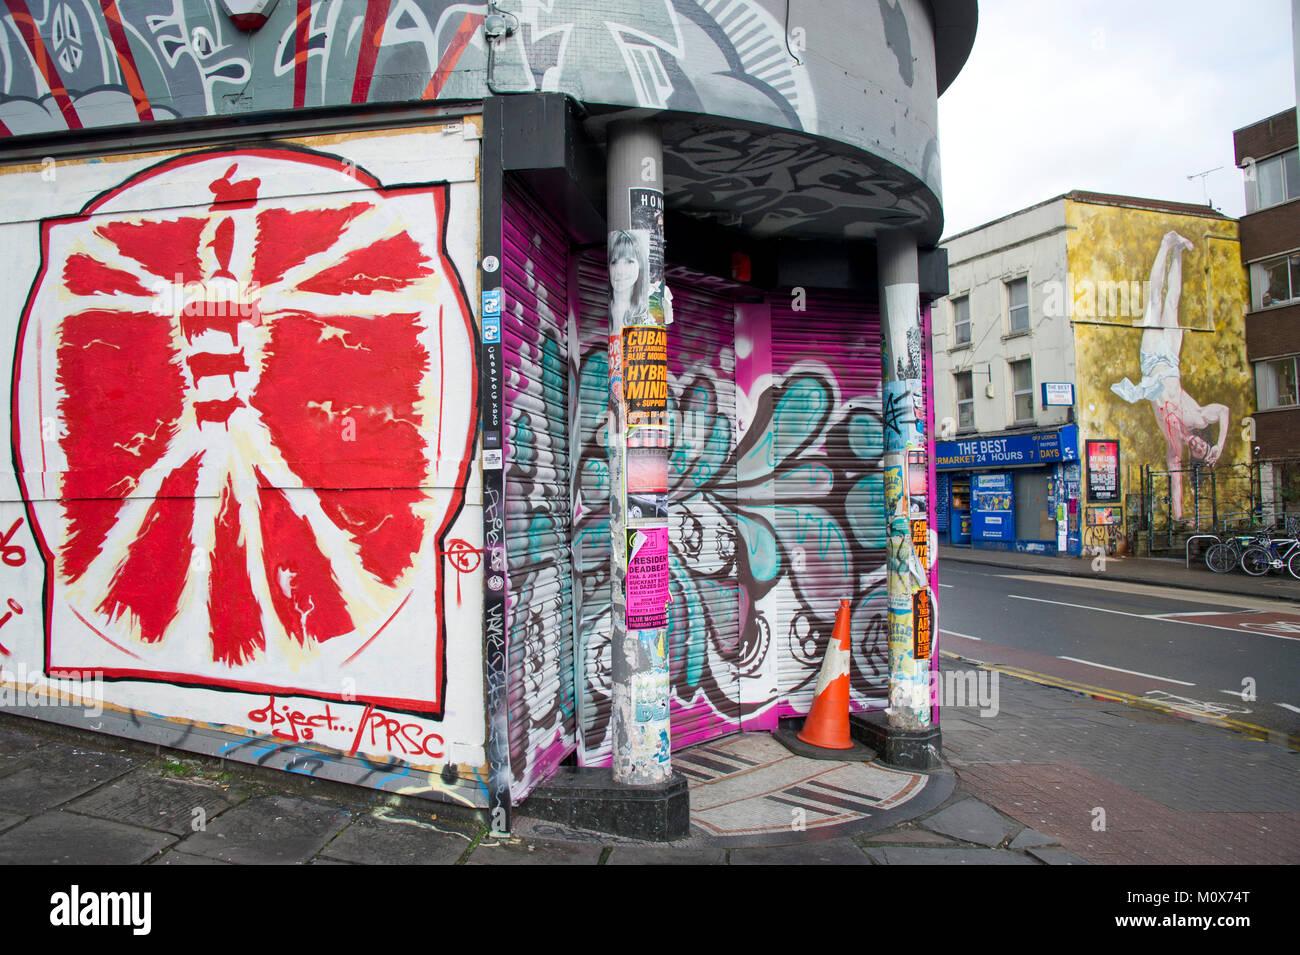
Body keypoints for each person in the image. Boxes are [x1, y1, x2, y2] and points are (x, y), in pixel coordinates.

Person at [1110, 230, 1229, 521]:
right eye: (1203, 446)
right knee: (1170, 302)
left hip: (1152, 364)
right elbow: (1224, 411)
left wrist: (1179, 518)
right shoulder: (1198, 417)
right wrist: (1220, 445)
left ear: (1194, 454)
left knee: (1156, 304)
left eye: (1199, 452)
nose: (1198, 447)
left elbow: (1176, 480)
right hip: (1172, 363)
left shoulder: (1174, 444)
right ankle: (1174, 248)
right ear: (1203, 441)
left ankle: (1169, 246)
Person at [608, 230, 649, 328]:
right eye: (614, 262)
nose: (620, 270)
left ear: (640, 265)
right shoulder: (607, 311)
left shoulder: (647, 313)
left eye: (629, 261)